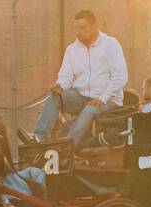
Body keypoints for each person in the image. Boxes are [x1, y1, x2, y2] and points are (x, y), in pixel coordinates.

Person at [27, 10, 128, 149]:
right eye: (76, 28)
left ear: (93, 26)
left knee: (90, 109)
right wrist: (60, 85)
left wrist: (103, 98)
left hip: (108, 100)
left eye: (82, 27)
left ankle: (67, 146)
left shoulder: (111, 45)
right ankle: (39, 137)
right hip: (80, 98)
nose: (78, 32)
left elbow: (121, 77)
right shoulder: (72, 50)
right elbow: (66, 76)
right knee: (54, 96)